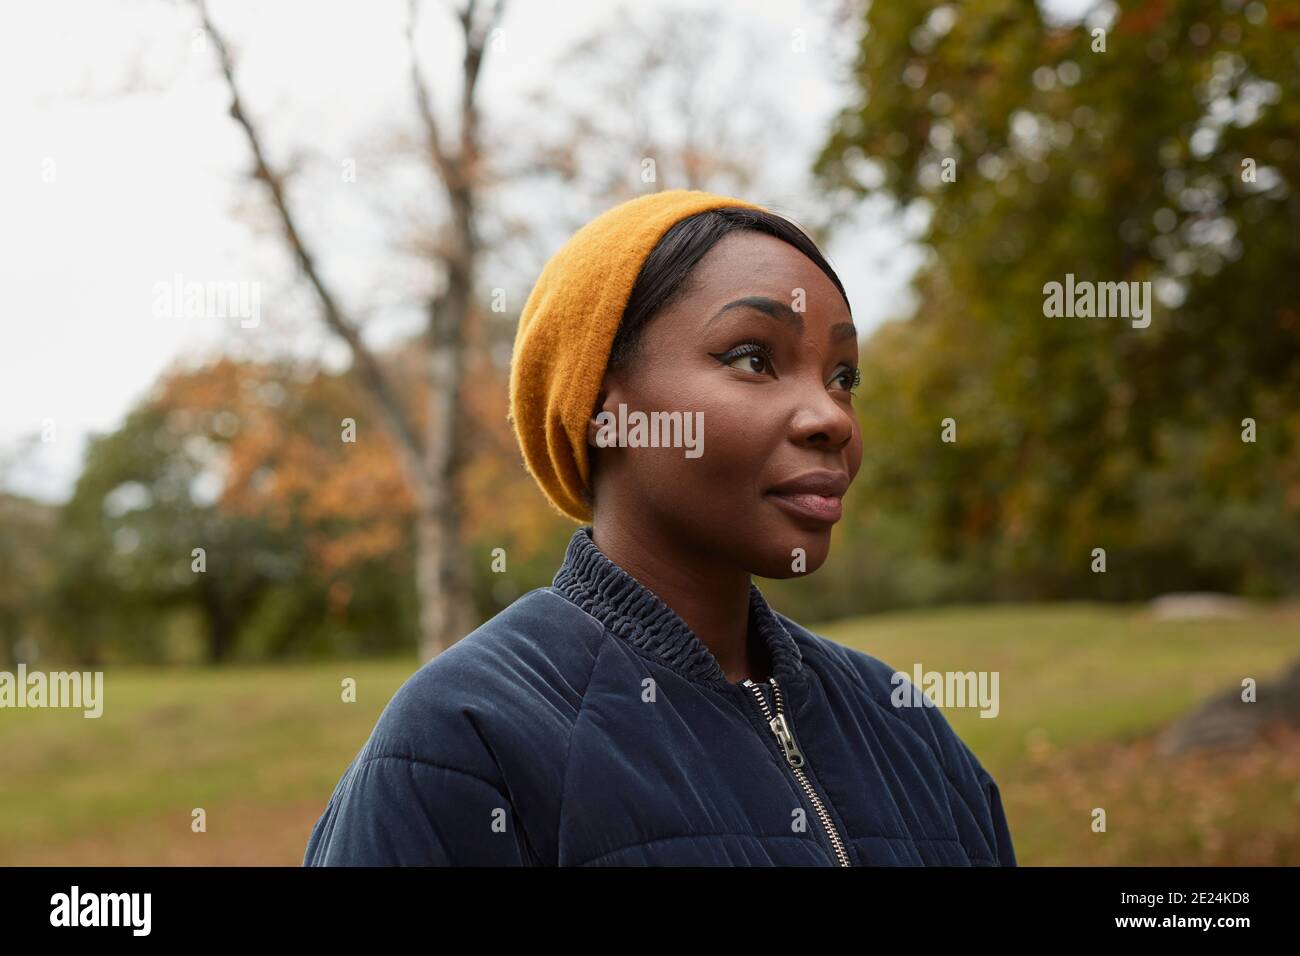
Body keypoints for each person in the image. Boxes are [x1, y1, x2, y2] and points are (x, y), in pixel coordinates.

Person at [303, 189, 1016, 866]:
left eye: (843, 377)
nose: (832, 416)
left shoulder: (904, 725)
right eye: (752, 358)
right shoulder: (465, 742)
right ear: (602, 404)